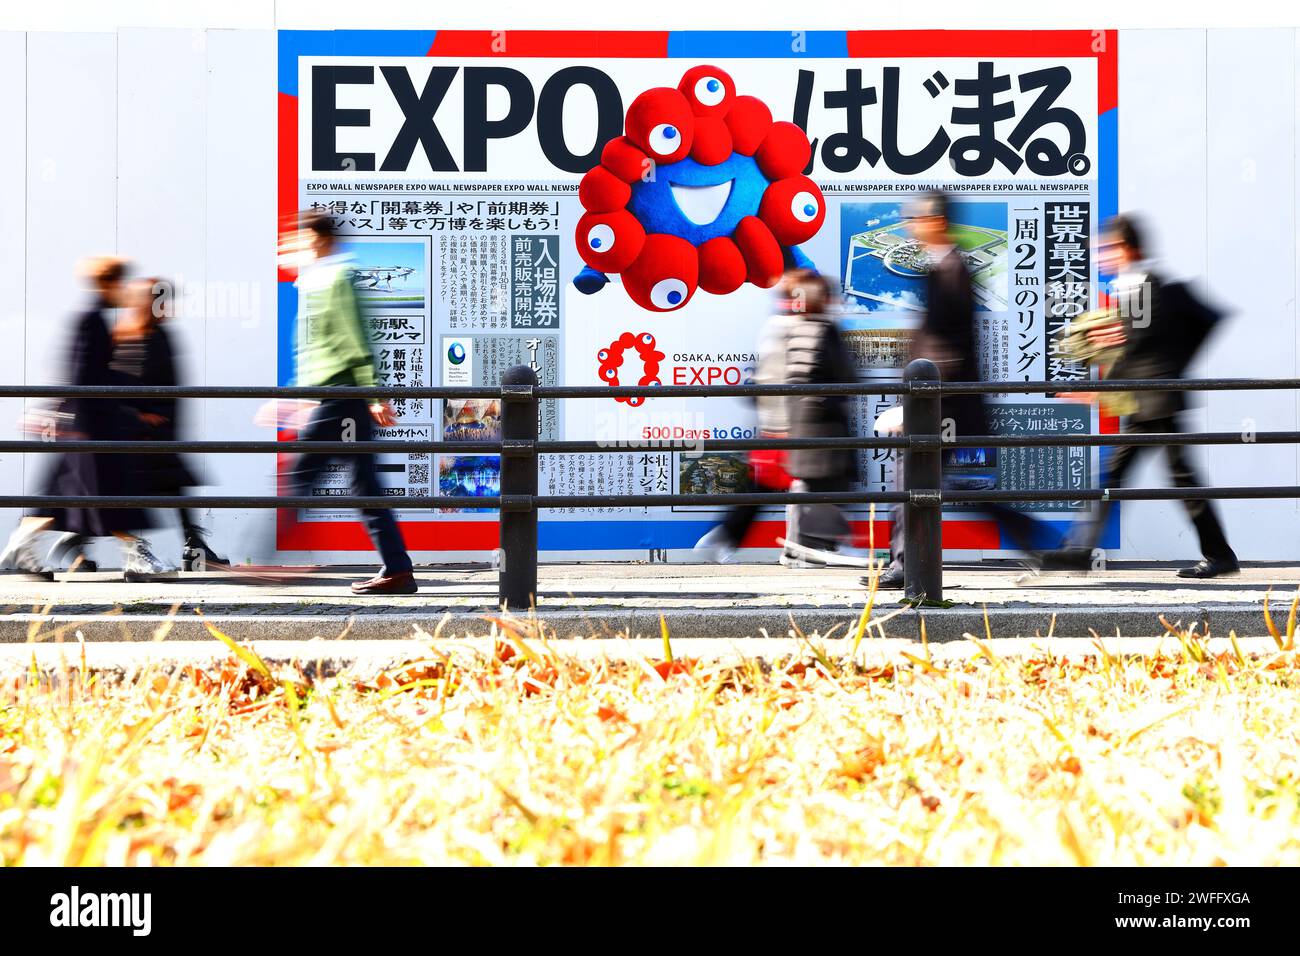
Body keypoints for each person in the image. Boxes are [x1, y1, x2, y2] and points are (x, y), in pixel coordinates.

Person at [871, 190, 1051, 589]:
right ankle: (1034, 540)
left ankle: (905, 565)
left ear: (935, 222)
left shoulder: (951, 270)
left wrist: (918, 402)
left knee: (910, 477)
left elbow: (949, 348)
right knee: (942, 484)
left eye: (916, 219)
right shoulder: (945, 268)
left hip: (945, 401)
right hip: (950, 400)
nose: (911, 227)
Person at [1044, 214, 1238, 578]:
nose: (1101, 257)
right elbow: (1136, 349)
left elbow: (1149, 346)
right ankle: (1081, 550)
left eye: (1105, 249)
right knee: (1126, 476)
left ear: (1125, 248)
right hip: (1146, 403)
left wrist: (1170, 367)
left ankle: (1219, 556)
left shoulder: (1150, 286)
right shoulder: (1132, 288)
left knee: (1170, 478)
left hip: (1157, 402)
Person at [1, 256, 172, 580]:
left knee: (66, 497)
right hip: (89, 424)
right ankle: (137, 556)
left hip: (86, 422)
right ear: (108, 284)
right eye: (120, 284)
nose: (124, 291)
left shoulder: (92, 319)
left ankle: (22, 546)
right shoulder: (91, 321)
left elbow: (81, 373)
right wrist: (131, 390)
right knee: (107, 493)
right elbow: (84, 374)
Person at [287, 211, 417, 595]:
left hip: (342, 394)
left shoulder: (336, 278)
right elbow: (317, 347)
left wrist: (373, 394)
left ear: (322, 239)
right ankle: (397, 568)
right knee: (364, 484)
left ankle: (268, 566)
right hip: (335, 394)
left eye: (306, 239)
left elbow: (354, 339)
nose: (301, 247)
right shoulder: (316, 279)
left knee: (301, 475)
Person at [111, 277, 227, 570]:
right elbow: (119, 384)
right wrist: (139, 418)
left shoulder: (156, 335)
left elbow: (170, 383)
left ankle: (194, 546)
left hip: (157, 429)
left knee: (172, 485)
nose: (167, 307)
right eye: (160, 300)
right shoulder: (131, 336)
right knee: (114, 489)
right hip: (139, 431)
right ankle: (77, 545)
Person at [692, 273, 800, 563]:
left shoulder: (778, 328)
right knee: (802, 486)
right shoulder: (787, 329)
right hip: (785, 427)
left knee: (769, 491)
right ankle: (728, 537)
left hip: (779, 424)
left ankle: (725, 537)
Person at [778, 270, 859, 567]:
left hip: (802, 422)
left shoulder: (793, 329)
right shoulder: (825, 330)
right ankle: (814, 550)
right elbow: (849, 377)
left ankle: (799, 548)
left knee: (809, 486)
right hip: (826, 424)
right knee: (827, 486)